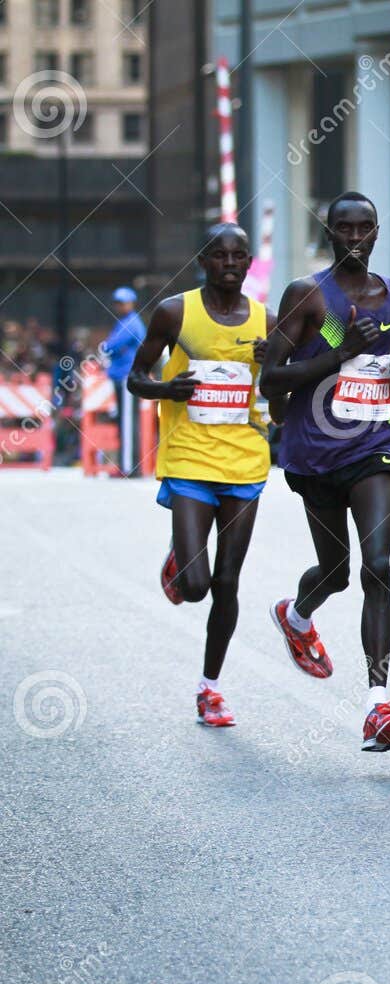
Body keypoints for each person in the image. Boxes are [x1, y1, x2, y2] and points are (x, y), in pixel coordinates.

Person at [258, 192, 390, 752]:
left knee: (377, 566)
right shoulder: (307, 295)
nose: (354, 237)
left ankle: (378, 703)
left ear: (377, 233)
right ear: (330, 234)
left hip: (375, 445)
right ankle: (296, 613)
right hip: (314, 454)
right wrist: (338, 348)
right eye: (343, 228)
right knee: (337, 571)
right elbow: (271, 380)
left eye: (364, 228)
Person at [126, 224, 273, 727]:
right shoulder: (174, 312)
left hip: (246, 460)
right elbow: (136, 378)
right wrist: (168, 391)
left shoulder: (266, 321)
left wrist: (278, 358)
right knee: (195, 585)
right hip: (189, 457)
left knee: (227, 582)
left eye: (238, 256)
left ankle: (210, 688)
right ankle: (181, 560)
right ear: (203, 260)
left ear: (250, 263)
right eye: (219, 255)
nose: (229, 263)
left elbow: (322, 338)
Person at [100, 286, 147, 477]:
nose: (120, 306)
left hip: (127, 377)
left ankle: (129, 467)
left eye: (123, 302)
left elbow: (111, 345)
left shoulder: (131, 323)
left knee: (128, 423)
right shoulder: (123, 322)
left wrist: (107, 347)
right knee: (125, 421)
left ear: (132, 303)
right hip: (121, 377)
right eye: (117, 303)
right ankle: (128, 464)